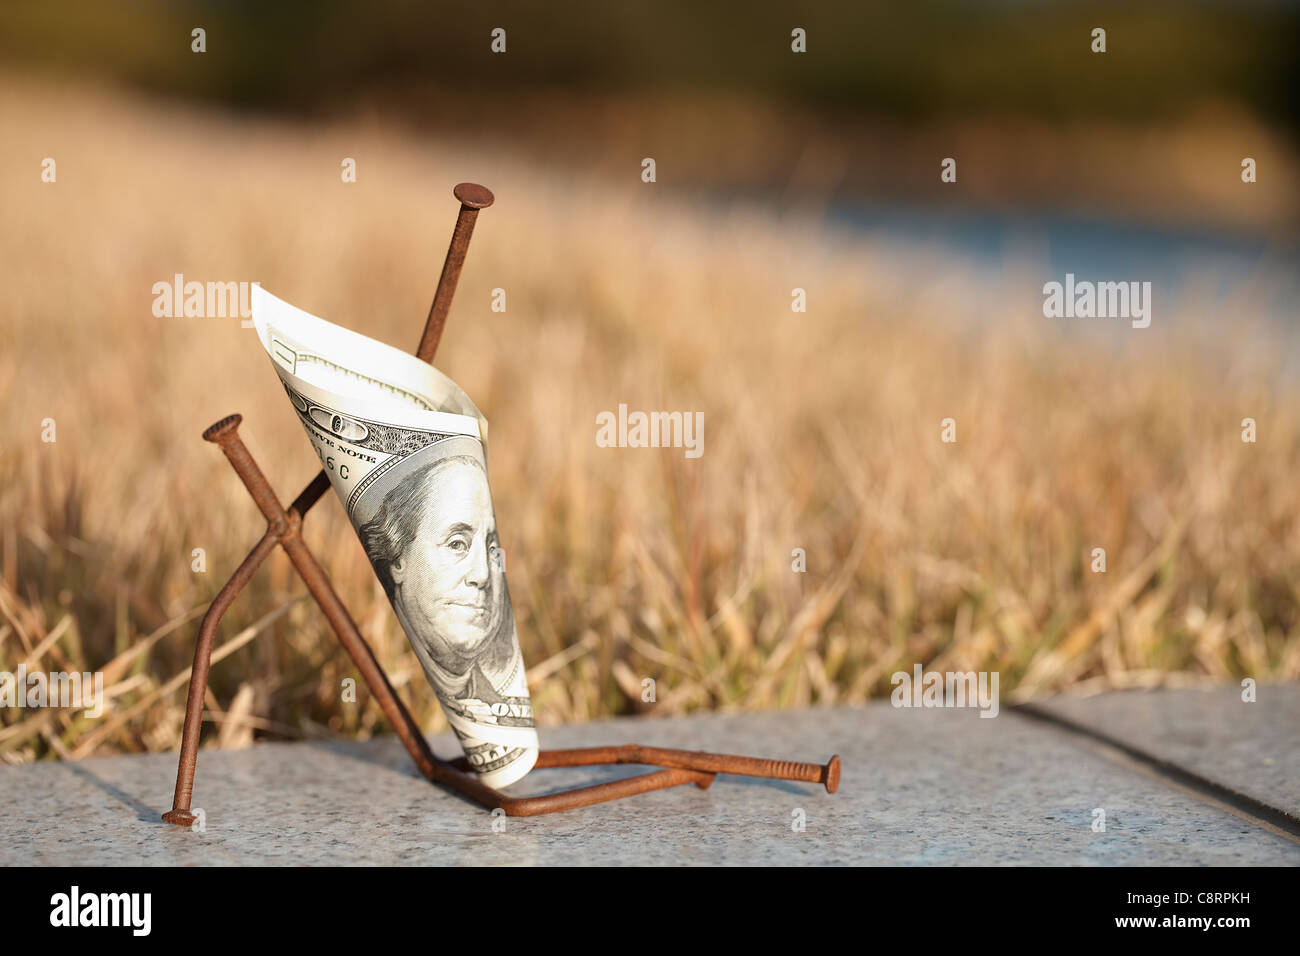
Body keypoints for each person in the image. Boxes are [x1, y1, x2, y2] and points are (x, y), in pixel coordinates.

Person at [358, 453, 523, 708]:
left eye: (492, 549)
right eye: (457, 544)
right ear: (399, 557)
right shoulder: (371, 684)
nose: (483, 575)